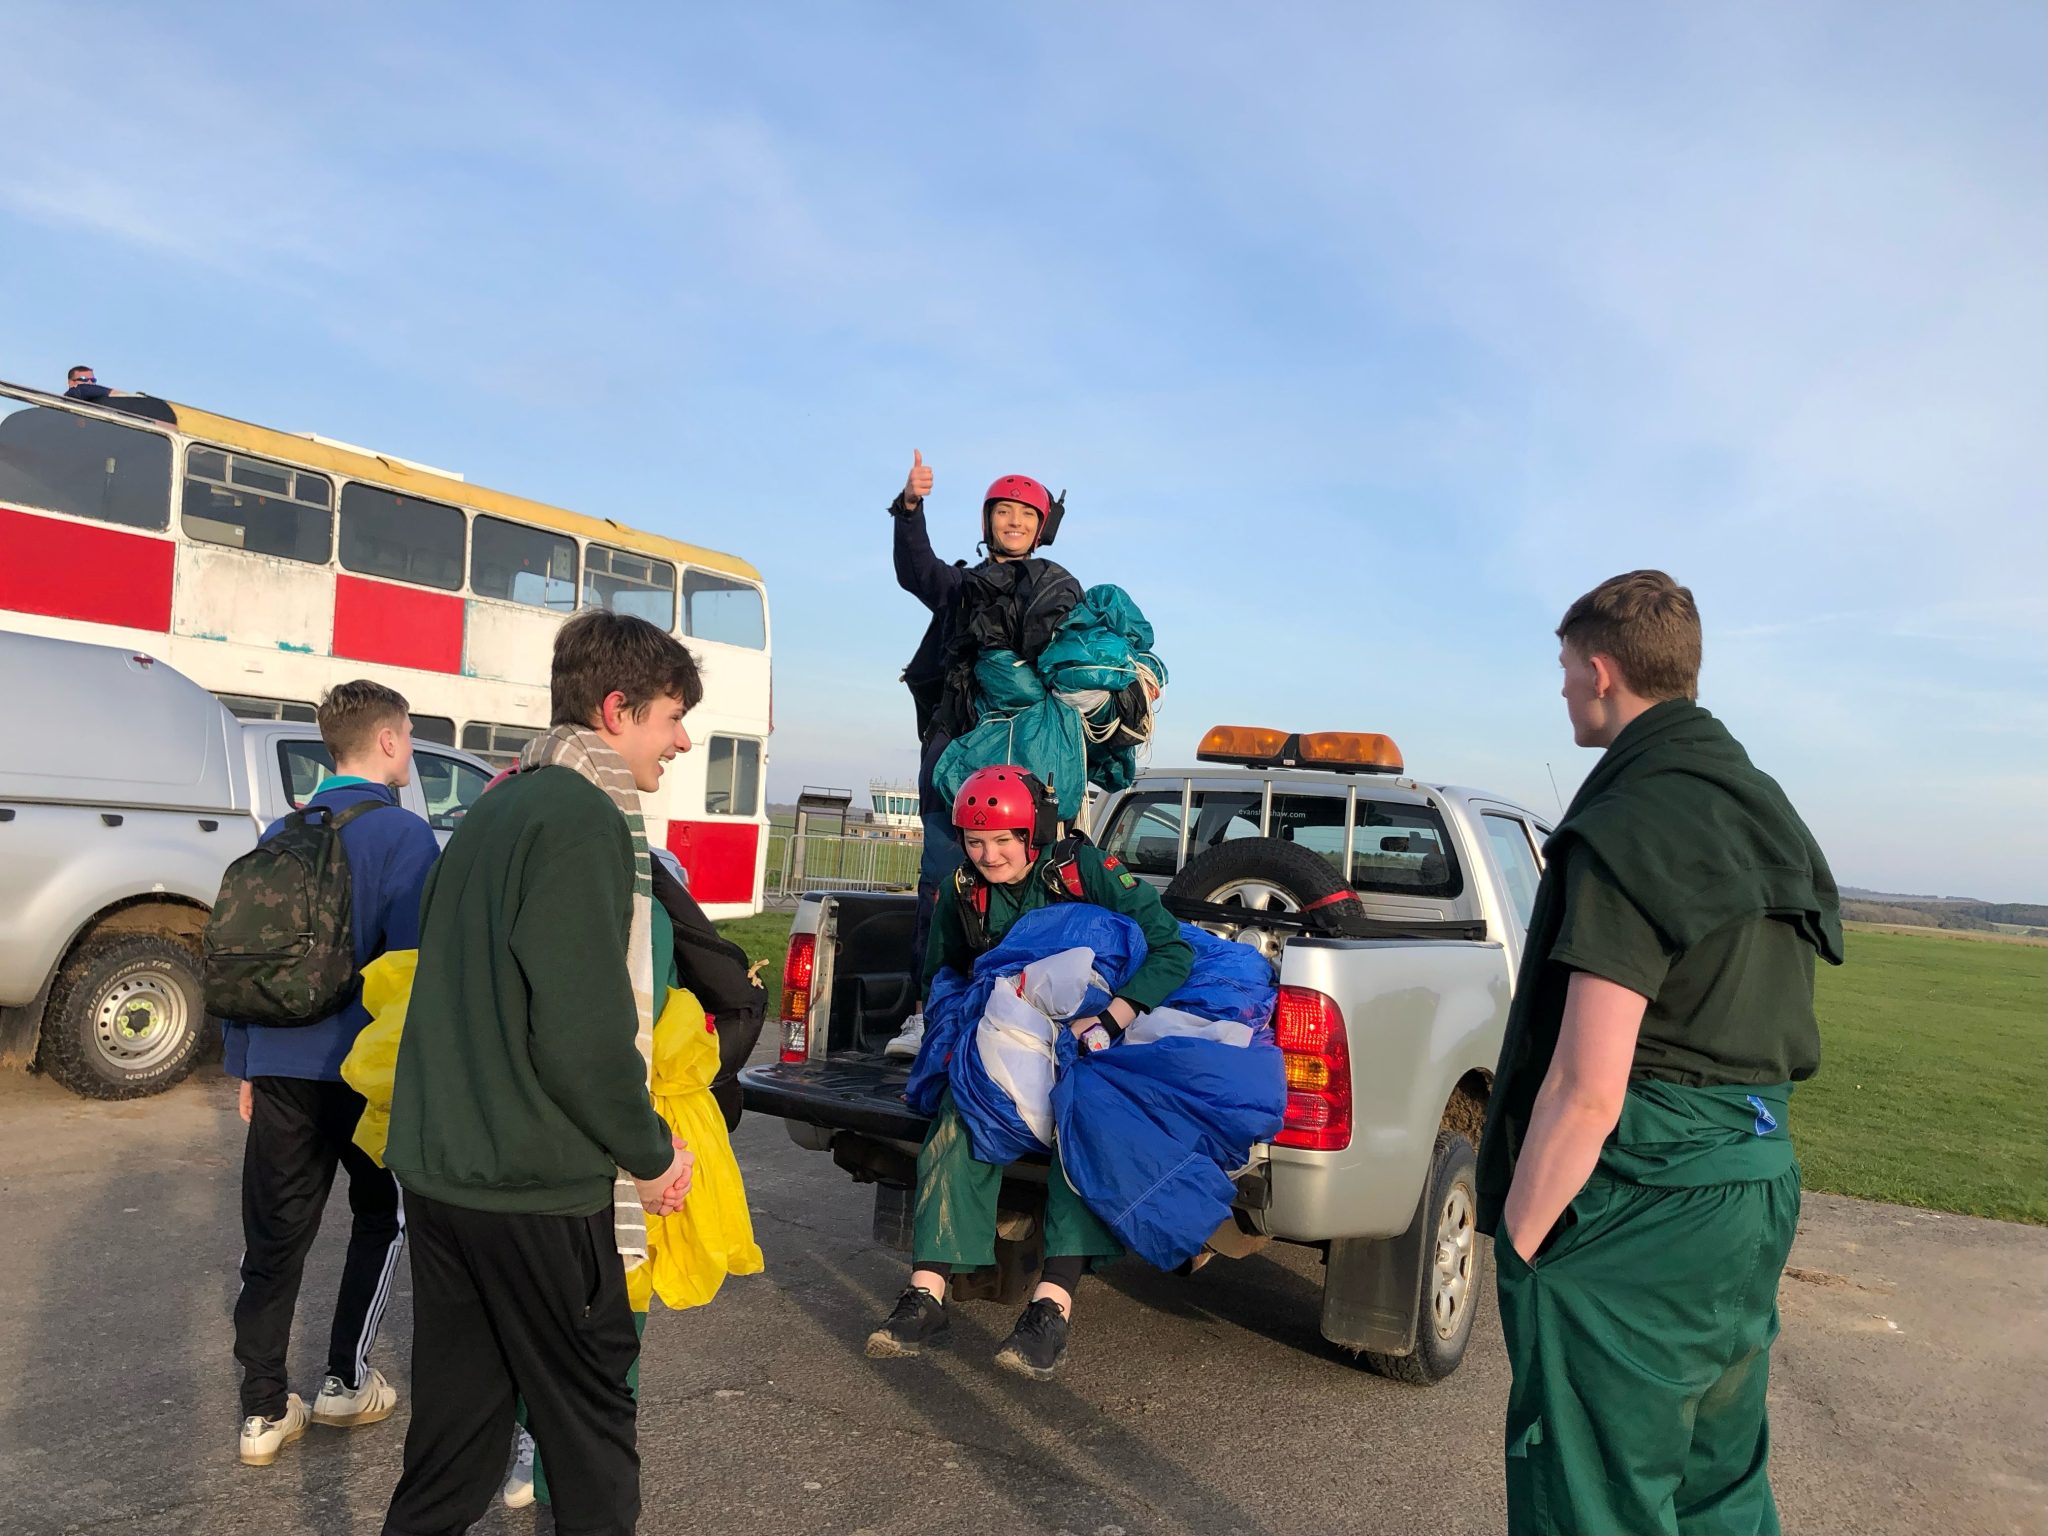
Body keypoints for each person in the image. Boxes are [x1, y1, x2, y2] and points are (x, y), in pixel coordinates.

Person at [1475, 570, 1843, 1536]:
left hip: (1647, 1194)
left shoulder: (1632, 823)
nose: (1561, 691)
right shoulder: (1760, 803)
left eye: (1564, 671)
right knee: (1719, 1483)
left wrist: (1517, 1248)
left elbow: (1588, 1085)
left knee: (1594, 1492)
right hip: (1757, 1175)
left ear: (1602, 672)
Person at [379, 609, 699, 1536]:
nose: (680, 740)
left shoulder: (496, 805)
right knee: (589, 1436)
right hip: (536, 1188)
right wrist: (649, 1154)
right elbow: (581, 1033)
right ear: (616, 709)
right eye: (671, 717)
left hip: (445, 1177)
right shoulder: (582, 817)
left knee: (456, 1439)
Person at [865, 765, 1192, 1380]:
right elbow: (943, 973)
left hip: (1095, 1030)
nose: (989, 856)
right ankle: (925, 1295)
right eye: (975, 840)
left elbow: (1171, 947)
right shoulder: (963, 892)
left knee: (1085, 1119)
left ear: (1034, 833)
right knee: (961, 1116)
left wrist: (1111, 1020)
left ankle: (1051, 1308)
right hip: (1007, 1032)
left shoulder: (1085, 872)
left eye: (1004, 841)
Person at [223, 680, 439, 1467]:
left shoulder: (280, 831)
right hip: (363, 1072)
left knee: (275, 1237)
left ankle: (261, 1411)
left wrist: (246, 1063)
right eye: (409, 737)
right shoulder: (406, 838)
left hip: (278, 1064)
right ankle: (345, 1380)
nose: (410, 752)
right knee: (381, 1215)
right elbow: (415, 972)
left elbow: (248, 957)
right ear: (386, 741)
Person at [886, 452, 1076, 1061]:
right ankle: (924, 1013)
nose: (1014, 521)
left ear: (1041, 526)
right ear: (988, 520)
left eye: (1026, 513)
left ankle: (1016, 1012)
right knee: (942, 878)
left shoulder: (1054, 591)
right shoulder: (961, 589)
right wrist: (910, 508)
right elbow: (918, 573)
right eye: (1004, 511)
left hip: (1025, 755)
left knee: (1029, 879)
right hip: (955, 752)